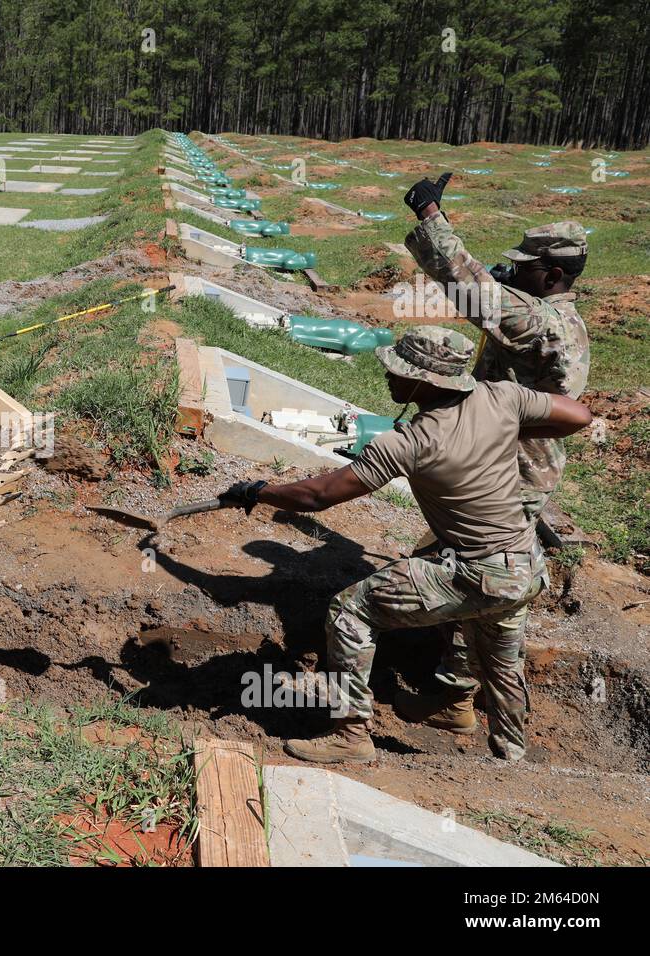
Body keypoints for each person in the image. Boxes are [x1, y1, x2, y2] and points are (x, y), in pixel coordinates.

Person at [211, 326, 592, 763]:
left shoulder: (410, 443)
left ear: (425, 381)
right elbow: (579, 416)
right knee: (501, 664)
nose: (388, 377)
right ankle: (508, 755)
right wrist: (508, 431)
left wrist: (258, 491)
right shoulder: (503, 398)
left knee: (349, 612)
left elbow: (317, 496)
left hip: (477, 572)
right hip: (525, 567)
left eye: (398, 371)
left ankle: (351, 735)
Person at [396, 174, 592, 733]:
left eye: (526, 266)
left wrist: (431, 213)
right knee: (472, 567)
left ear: (553, 274)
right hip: (518, 468)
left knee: (472, 575)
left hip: (510, 472)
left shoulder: (536, 319)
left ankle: (457, 699)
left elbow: (468, 284)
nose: (515, 271)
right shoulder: (554, 315)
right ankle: (469, 697)